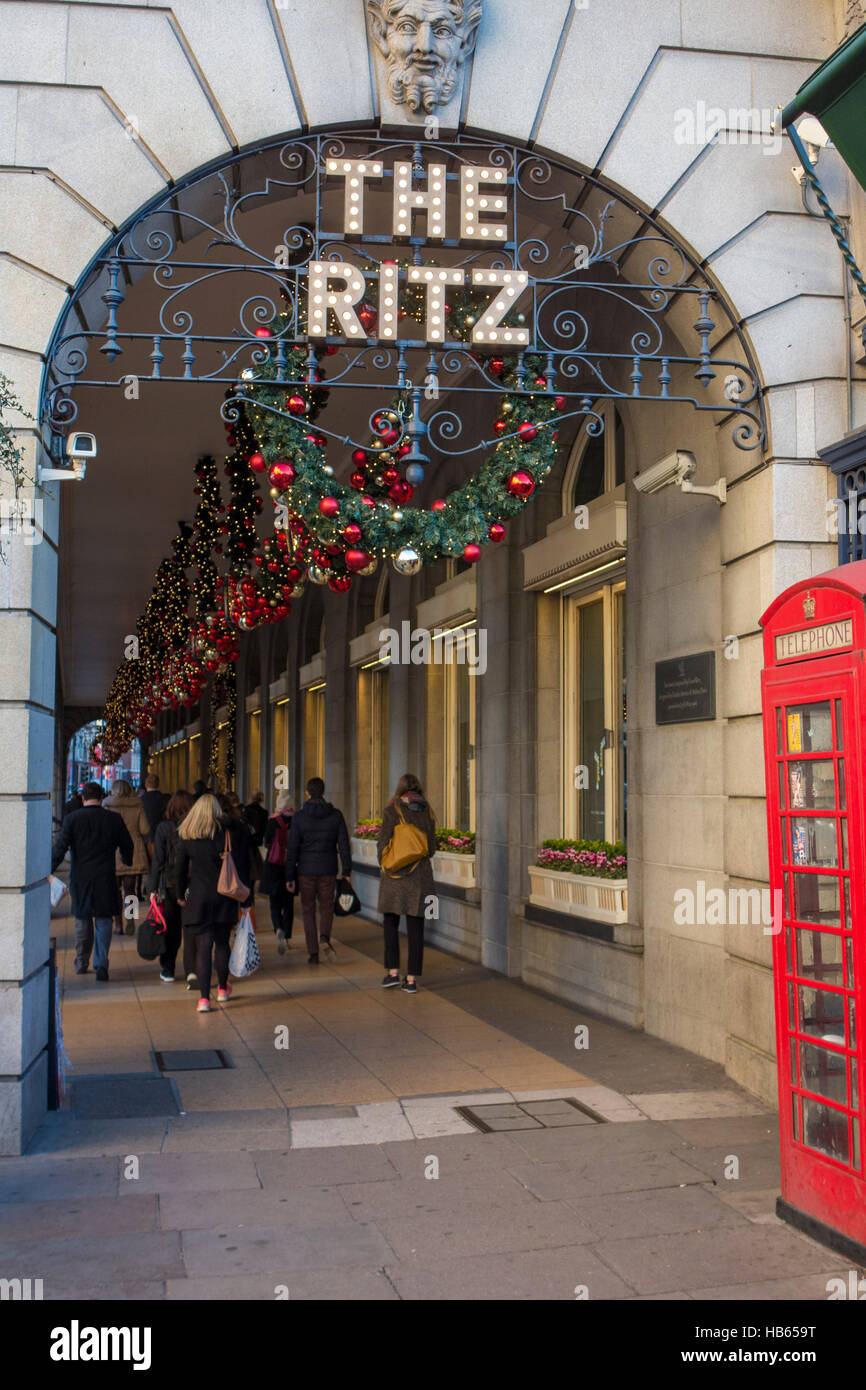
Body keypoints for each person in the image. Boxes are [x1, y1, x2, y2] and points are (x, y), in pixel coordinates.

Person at [175, 793, 253, 1013]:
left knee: (203, 947)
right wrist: (247, 899)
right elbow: (242, 867)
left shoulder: (187, 834)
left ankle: (203, 999)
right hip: (224, 895)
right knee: (221, 943)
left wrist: (180, 894)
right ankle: (221, 989)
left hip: (198, 897)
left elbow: (179, 869)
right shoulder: (229, 832)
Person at [51, 781, 134, 981]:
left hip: (81, 878)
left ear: (83, 798)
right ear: (102, 797)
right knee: (104, 920)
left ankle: (81, 961)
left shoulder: (72, 819)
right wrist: (126, 859)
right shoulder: (113, 819)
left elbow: (60, 848)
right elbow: (127, 843)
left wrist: (48, 870)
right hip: (106, 876)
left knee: (82, 920)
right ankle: (101, 964)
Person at [377, 773, 437, 994]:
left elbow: (382, 844)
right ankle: (411, 980)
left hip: (394, 878)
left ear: (399, 789)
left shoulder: (392, 810)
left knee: (390, 923)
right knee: (416, 926)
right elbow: (431, 849)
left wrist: (387, 862)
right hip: (420, 877)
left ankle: (393, 973)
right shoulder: (427, 812)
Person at [284, 777, 351, 964]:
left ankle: (313, 952)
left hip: (305, 869)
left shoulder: (299, 817)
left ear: (307, 792)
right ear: (323, 792)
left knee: (307, 910)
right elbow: (344, 845)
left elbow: (293, 848)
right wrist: (346, 870)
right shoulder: (336, 815)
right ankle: (324, 937)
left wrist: (289, 875)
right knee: (326, 906)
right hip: (328, 868)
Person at [146, 789, 193, 984]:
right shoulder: (194, 827)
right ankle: (192, 969)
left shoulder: (163, 828)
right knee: (191, 927)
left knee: (170, 927)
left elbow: (157, 861)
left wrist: (152, 888)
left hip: (169, 883)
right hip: (192, 884)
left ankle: (168, 968)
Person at [103, 779, 151, 935]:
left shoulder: (107, 805)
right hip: (133, 849)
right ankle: (131, 919)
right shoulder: (137, 805)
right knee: (130, 889)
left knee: (114, 890)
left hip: (113, 850)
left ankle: (118, 924)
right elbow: (145, 829)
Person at [260, 792, 295, 953]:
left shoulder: (273, 821)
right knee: (288, 904)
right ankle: (287, 937)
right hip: (290, 866)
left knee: (274, 902)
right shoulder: (296, 820)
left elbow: (266, 842)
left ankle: (278, 928)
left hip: (273, 866)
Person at [244, 789, 268, 886]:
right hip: (256, 843)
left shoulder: (246, 810)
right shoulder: (264, 812)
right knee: (254, 870)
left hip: (246, 843)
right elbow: (264, 829)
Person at [140, 774, 168, 853]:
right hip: (161, 834)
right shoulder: (164, 799)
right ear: (158, 784)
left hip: (145, 836)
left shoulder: (140, 800)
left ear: (146, 785)